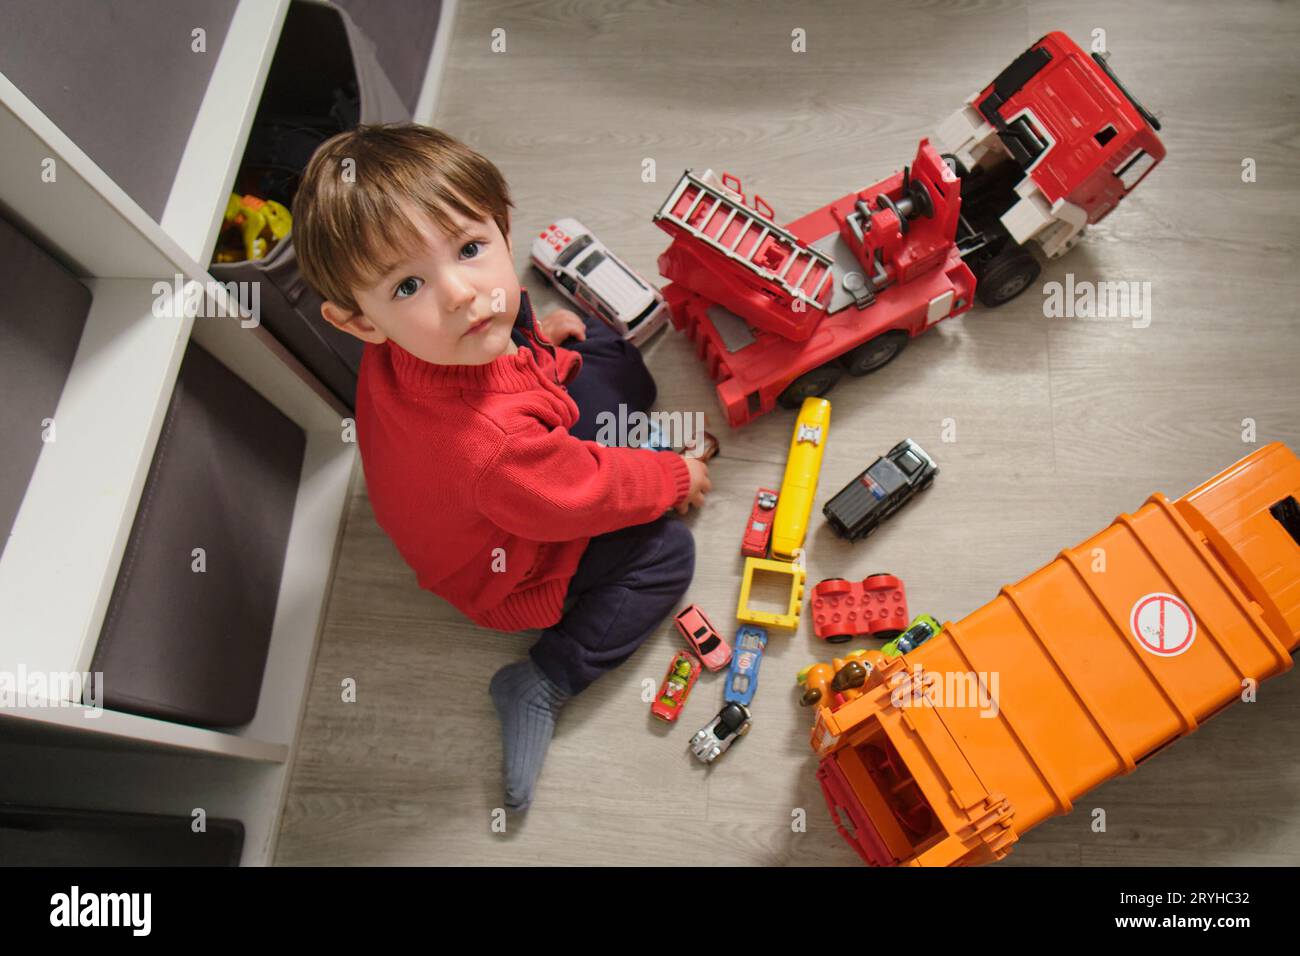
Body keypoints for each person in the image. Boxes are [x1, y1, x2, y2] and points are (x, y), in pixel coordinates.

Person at [292, 123, 711, 811]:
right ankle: (545, 678)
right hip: (510, 562)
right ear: (360, 322)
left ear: (503, 229)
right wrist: (671, 480)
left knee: (609, 357)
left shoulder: (419, 340)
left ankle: (619, 423)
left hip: (504, 474)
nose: (461, 293)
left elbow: (489, 341)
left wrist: (531, 340)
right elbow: (584, 494)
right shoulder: (491, 448)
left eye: (470, 247)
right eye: (407, 286)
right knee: (664, 551)